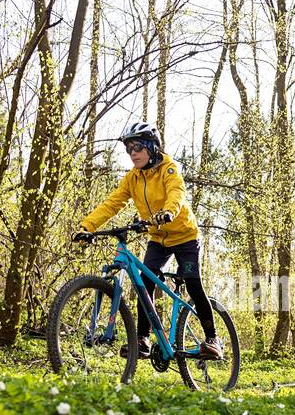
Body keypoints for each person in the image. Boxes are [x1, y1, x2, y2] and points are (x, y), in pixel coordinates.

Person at [73, 121, 223, 360]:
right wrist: (87, 227)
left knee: (194, 284)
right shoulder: (132, 178)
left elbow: (177, 192)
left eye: (138, 147)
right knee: (145, 282)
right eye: (129, 149)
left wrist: (169, 212)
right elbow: (113, 203)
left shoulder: (169, 168)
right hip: (158, 238)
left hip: (185, 237)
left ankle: (212, 338)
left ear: (152, 147)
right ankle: (142, 339)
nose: (133, 153)